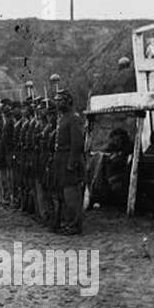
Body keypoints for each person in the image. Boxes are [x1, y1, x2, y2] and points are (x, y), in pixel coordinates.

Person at [54, 90, 86, 234]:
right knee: (64, 194)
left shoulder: (74, 118)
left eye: (60, 100)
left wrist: (72, 163)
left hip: (69, 159)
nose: (57, 103)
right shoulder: (63, 118)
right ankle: (68, 223)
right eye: (56, 100)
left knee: (71, 194)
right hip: (61, 159)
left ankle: (74, 224)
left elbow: (77, 143)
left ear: (68, 102)